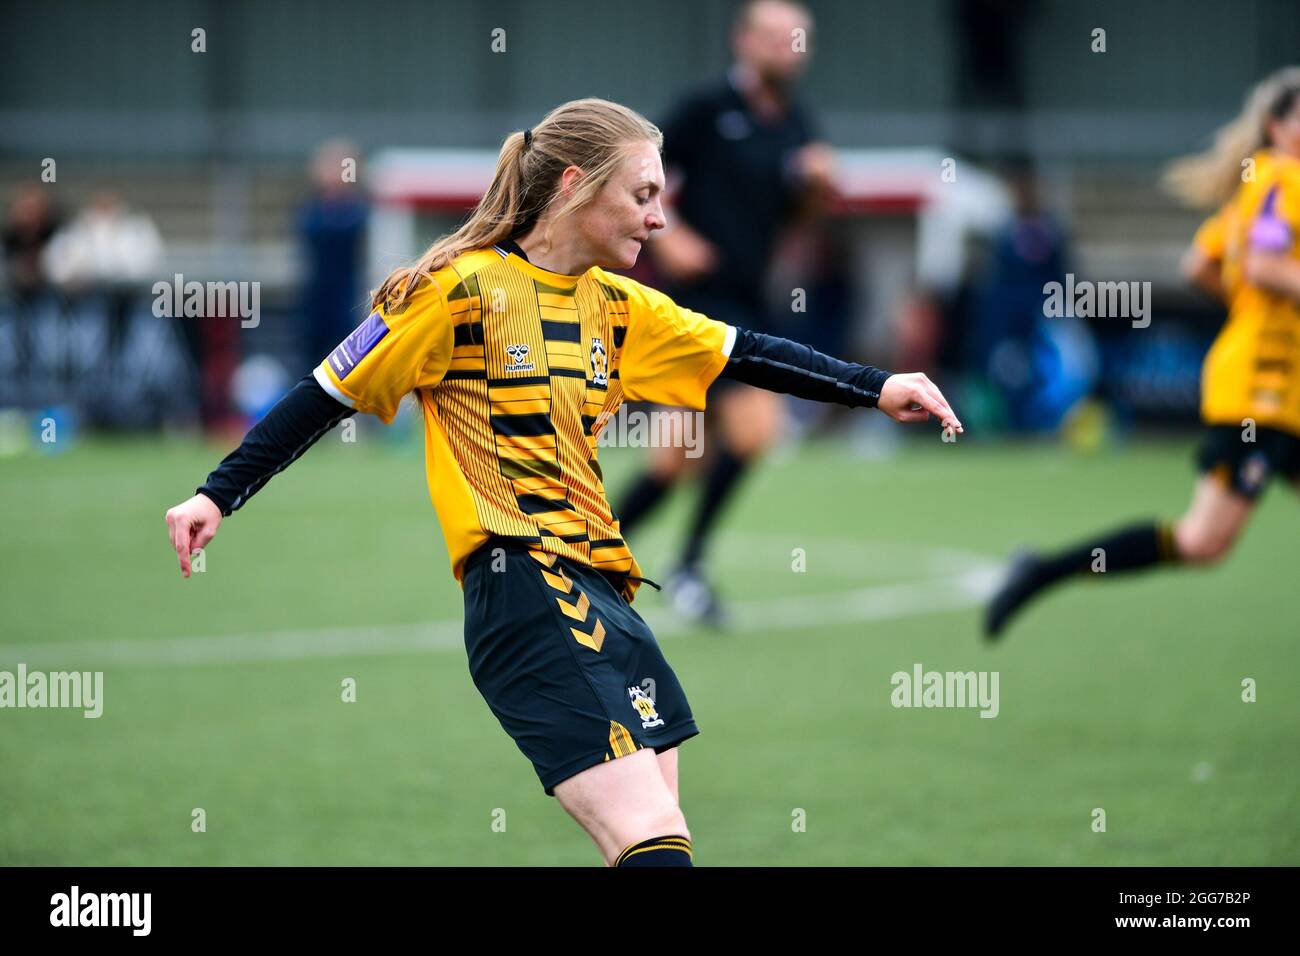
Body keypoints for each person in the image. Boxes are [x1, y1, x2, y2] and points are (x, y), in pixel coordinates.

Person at [165, 98, 962, 867]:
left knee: (659, 834)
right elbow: (324, 393)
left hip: (606, 592)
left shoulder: (617, 306)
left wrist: (878, 386)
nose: (659, 219)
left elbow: (742, 351)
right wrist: (217, 493)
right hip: (523, 586)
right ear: (577, 185)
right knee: (651, 832)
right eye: (643, 195)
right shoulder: (457, 292)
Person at [985, 67, 1300, 639]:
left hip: (1281, 385)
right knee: (1201, 542)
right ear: (1278, 127)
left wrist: (1257, 311)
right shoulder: (1283, 176)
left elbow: (1200, 265)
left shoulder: (1259, 183)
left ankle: (1041, 571)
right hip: (1265, 390)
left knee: (1202, 543)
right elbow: (1262, 265)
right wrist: (1264, 312)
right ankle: (1043, 571)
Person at [614, 0, 836, 625]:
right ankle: (685, 567)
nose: (788, 49)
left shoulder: (798, 124)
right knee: (755, 430)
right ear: (745, 41)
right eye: (775, 37)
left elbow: (799, 220)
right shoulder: (707, 108)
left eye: (798, 39)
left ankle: (584, 560)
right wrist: (669, 235)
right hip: (698, 303)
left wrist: (817, 190)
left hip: (751, 301)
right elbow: (635, 173)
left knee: (676, 460)